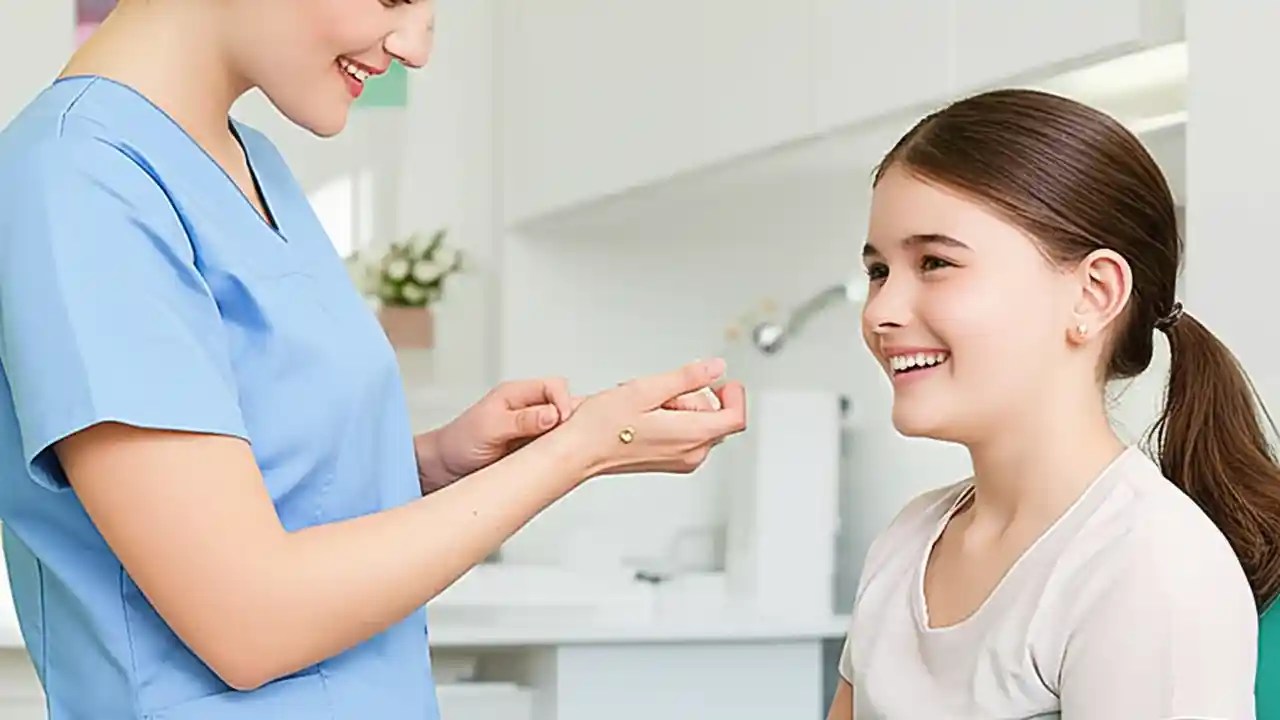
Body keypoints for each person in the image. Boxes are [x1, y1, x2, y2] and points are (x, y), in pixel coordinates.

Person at [0, 1, 746, 718]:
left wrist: (431, 464)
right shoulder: (78, 180)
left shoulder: (250, 161)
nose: (416, 46)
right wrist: (579, 453)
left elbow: (252, 488)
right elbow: (247, 619)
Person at [826, 88, 1280, 720]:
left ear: (1093, 294)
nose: (880, 312)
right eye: (879, 272)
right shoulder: (909, 538)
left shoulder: (1151, 569)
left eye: (934, 262)